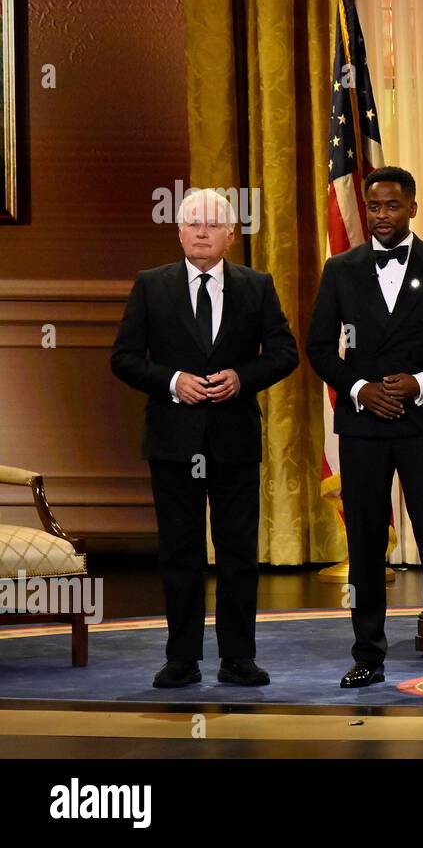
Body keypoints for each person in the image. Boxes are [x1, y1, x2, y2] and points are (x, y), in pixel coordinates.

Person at [110, 188, 299, 688]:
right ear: (178, 231)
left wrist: (242, 376)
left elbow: (284, 352)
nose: (200, 231)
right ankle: (182, 659)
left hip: (233, 438)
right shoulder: (151, 285)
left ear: (230, 235)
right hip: (174, 441)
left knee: (238, 553)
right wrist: (173, 382)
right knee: (180, 552)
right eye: (192, 222)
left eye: (212, 224)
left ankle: (238, 658)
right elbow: (124, 358)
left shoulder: (257, 286)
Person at [306, 165, 423, 690]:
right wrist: (362, 390)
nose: (382, 215)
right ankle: (368, 654)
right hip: (363, 425)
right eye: (375, 206)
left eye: (392, 205)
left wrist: (422, 382)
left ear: (413, 206)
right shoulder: (341, 269)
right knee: (363, 543)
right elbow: (320, 347)